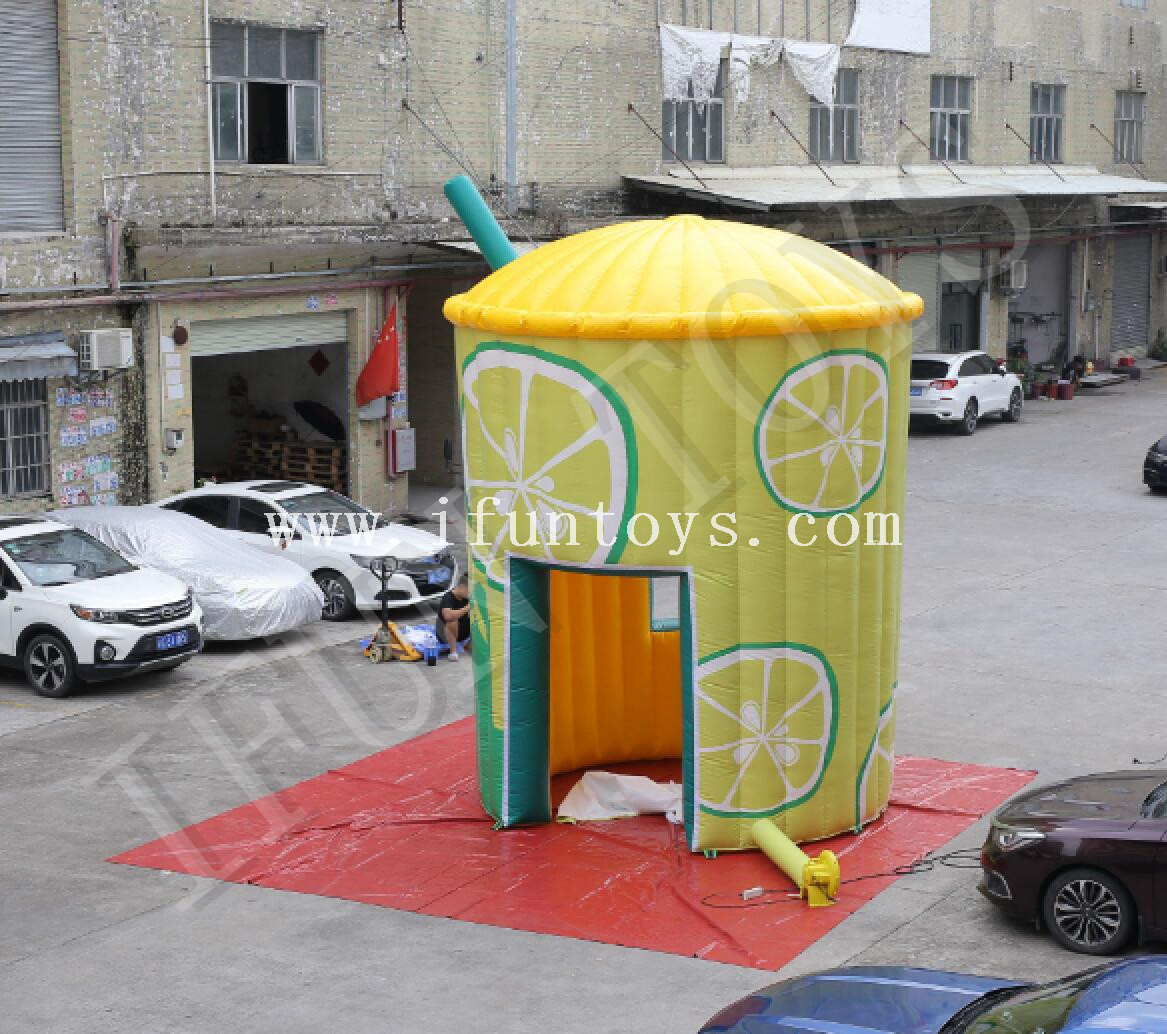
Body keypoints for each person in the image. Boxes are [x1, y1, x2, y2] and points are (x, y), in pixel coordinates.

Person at [435, 575, 472, 661]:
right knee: (452, 620)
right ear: (462, 587)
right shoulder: (448, 597)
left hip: (461, 632)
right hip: (445, 634)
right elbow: (448, 616)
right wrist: (468, 607)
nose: (470, 593)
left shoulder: (466, 598)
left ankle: (468, 643)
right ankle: (453, 652)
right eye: (469, 590)